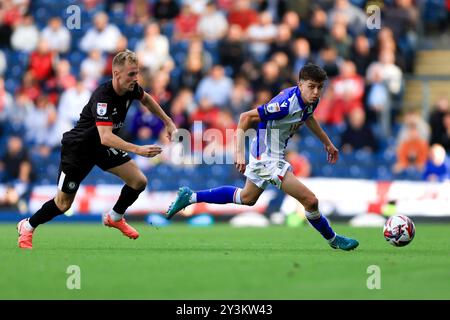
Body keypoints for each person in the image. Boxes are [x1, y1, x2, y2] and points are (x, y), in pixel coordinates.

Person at [167, 63, 359, 251]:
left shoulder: (310, 100)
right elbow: (245, 117)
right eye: (311, 86)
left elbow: (307, 117)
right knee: (310, 201)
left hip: (270, 153)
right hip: (266, 157)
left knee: (247, 197)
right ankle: (333, 239)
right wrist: (239, 152)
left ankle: (190, 196)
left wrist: (327, 142)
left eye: (319, 87)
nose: (316, 92)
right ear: (300, 84)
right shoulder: (283, 105)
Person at [17, 50, 177, 249]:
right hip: (79, 150)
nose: (136, 78)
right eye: (131, 74)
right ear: (116, 74)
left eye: (136, 73)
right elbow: (106, 136)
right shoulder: (103, 97)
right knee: (63, 204)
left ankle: (115, 217)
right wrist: (138, 149)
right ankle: (28, 225)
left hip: (101, 148)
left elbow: (146, 99)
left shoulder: (131, 88)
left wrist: (168, 122)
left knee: (138, 181)